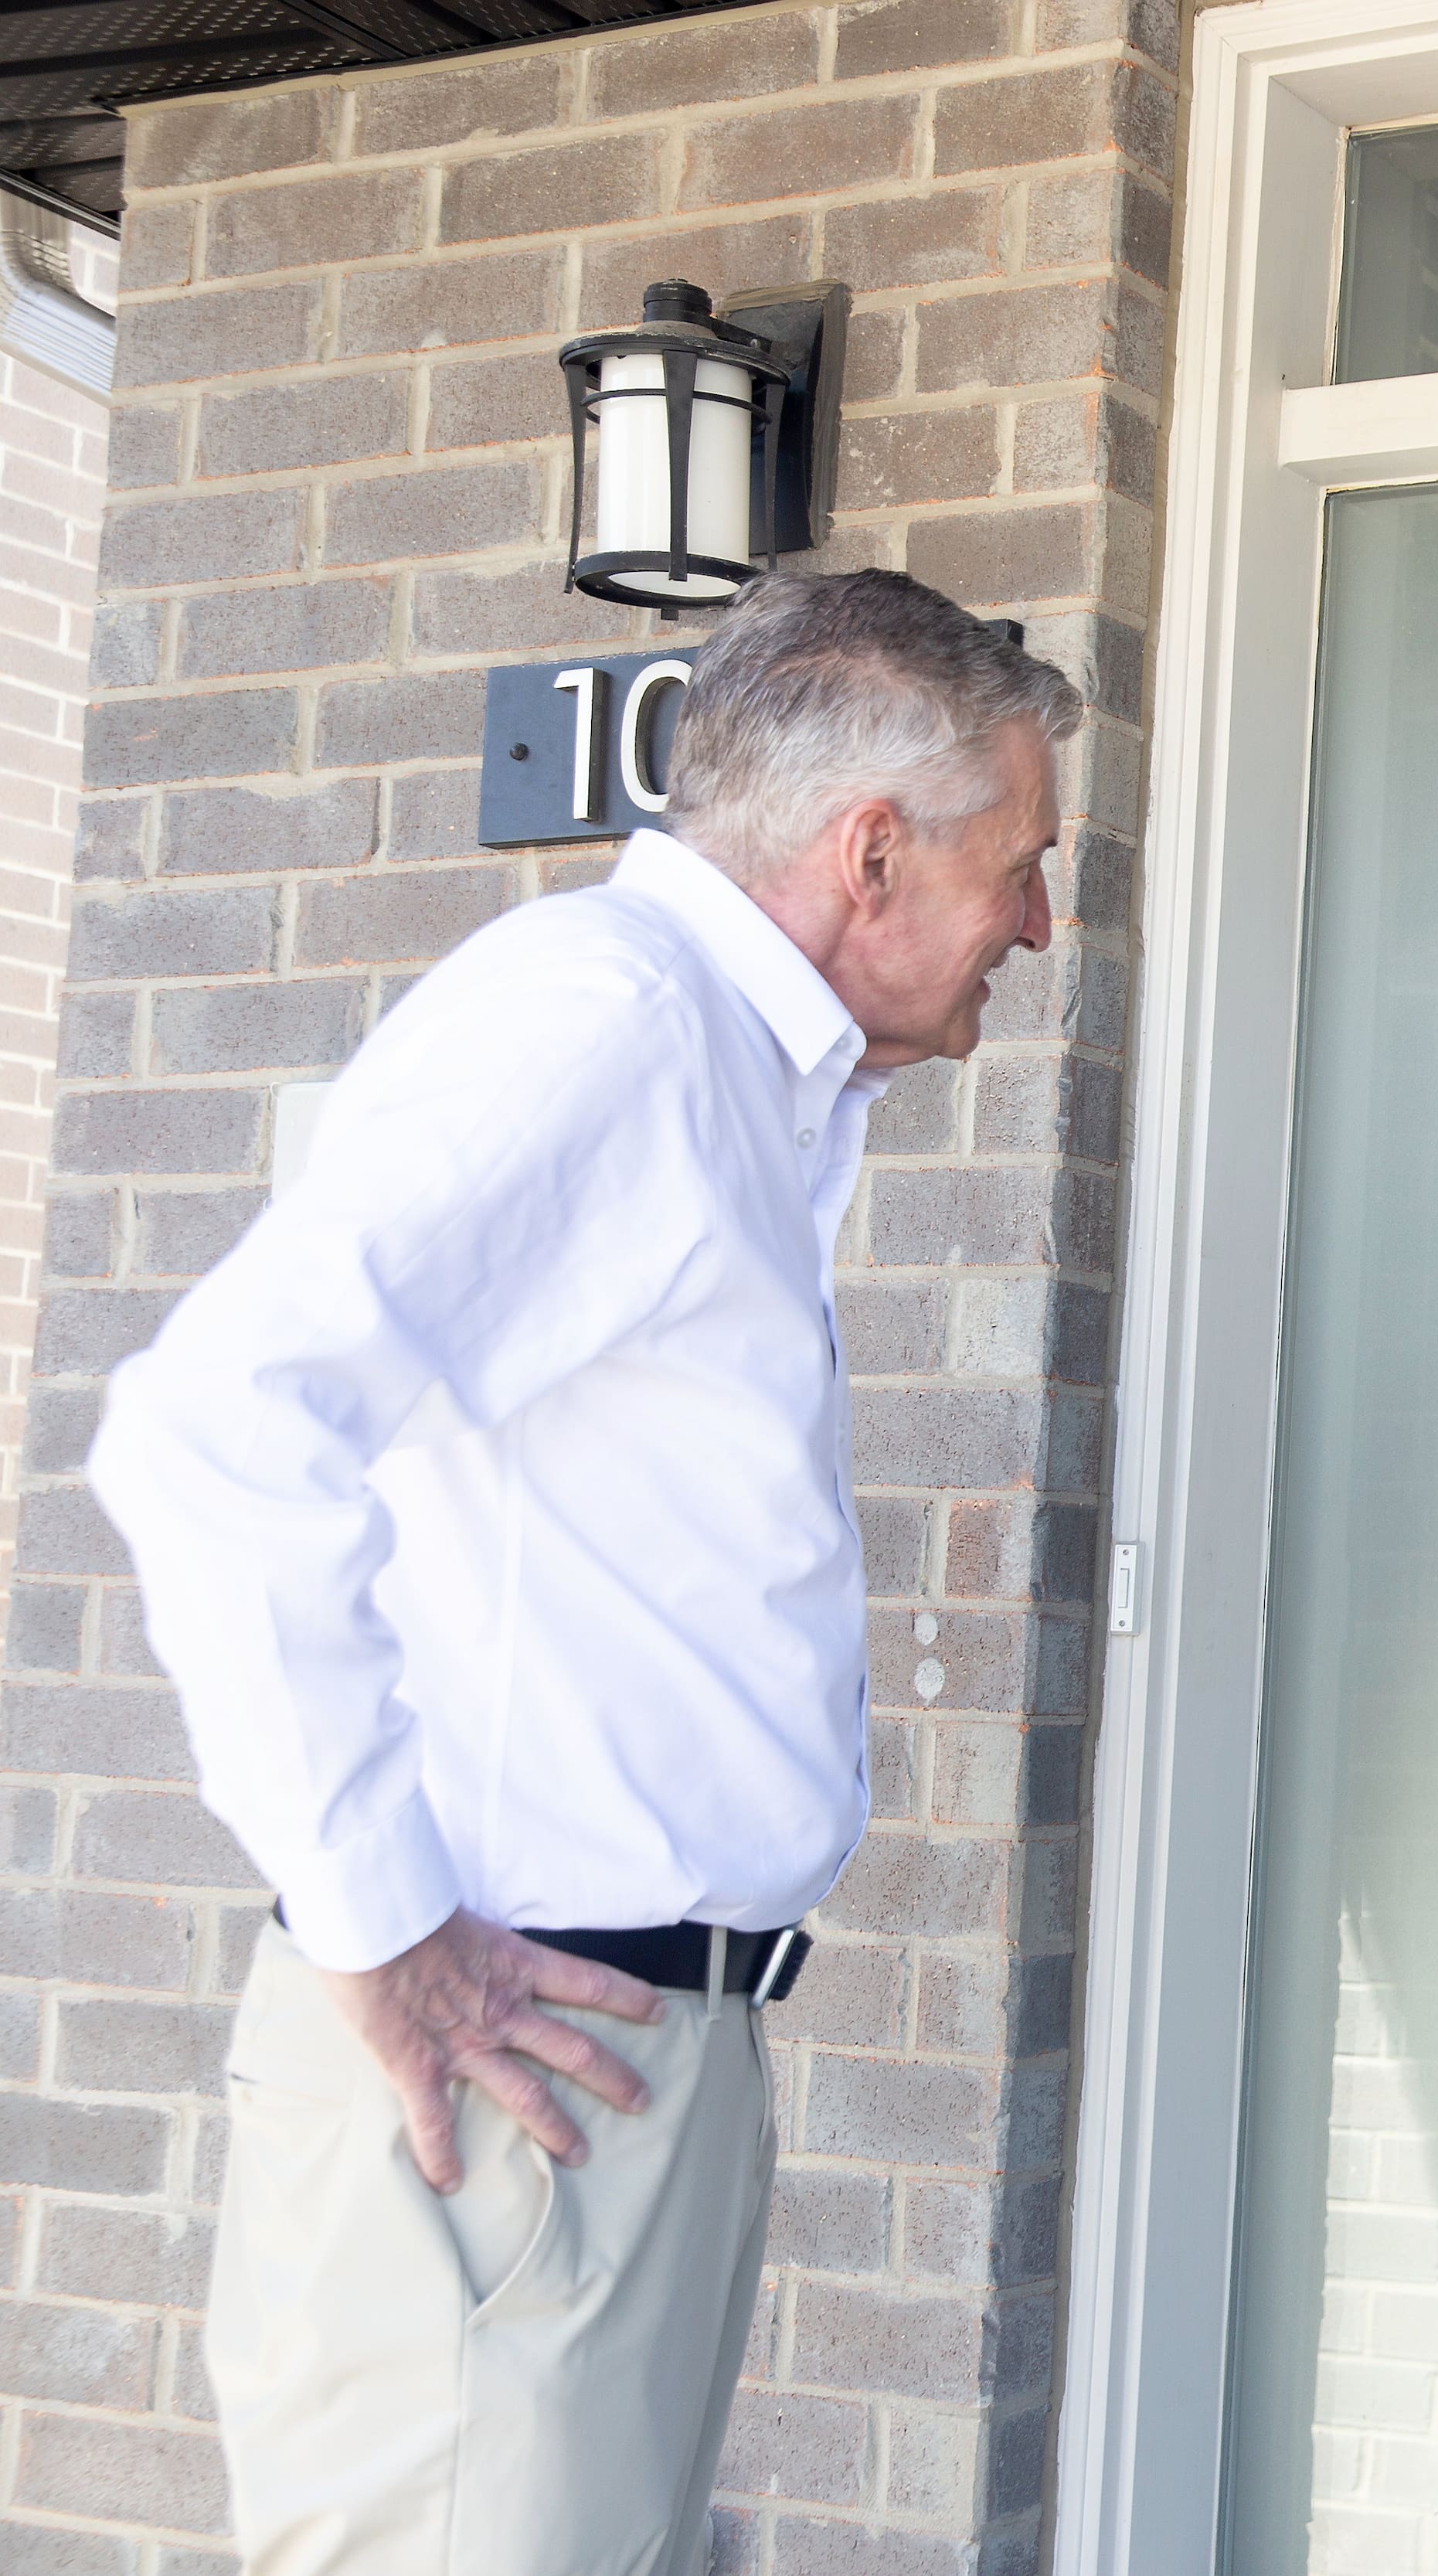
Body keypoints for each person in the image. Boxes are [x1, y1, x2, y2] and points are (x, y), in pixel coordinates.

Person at [87, 570, 1079, 2575]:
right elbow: (213, 1426)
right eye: (1020, 861)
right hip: (503, 2078)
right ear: (871, 851)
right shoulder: (608, 1026)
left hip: (613, 2071)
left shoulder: (726, 1066)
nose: (1039, 923)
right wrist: (382, 1919)